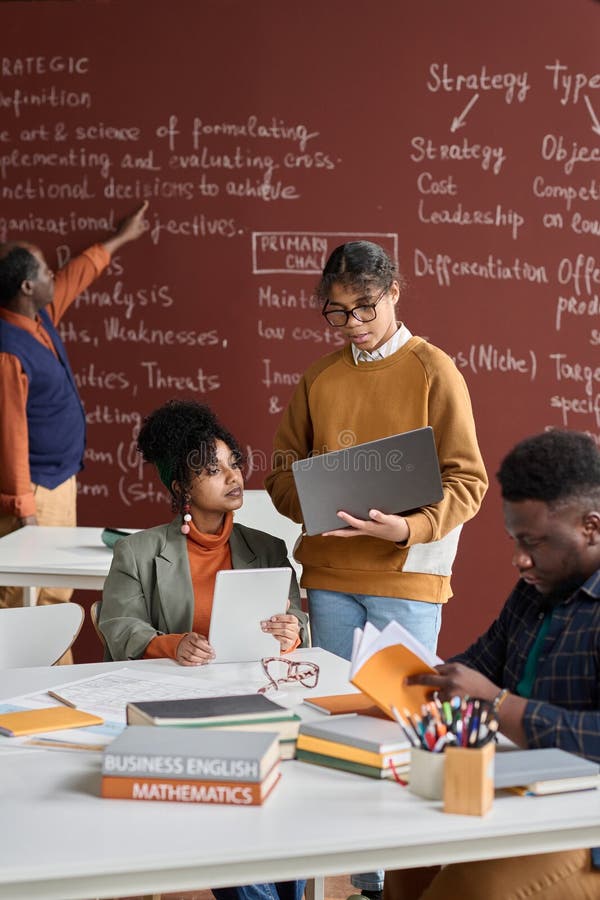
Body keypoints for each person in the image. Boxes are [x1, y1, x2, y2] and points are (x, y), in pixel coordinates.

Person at [265, 241, 488, 900]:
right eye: (337, 315)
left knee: (405, 724)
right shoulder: (320, 378)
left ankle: (386, 879)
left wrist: (408, 527)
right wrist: (312, 503)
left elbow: (468, 481)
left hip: (407, 575)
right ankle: (329, 867)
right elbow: (280, 470)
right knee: (330, 723)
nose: (354, 324)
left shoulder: (433, 371)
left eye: (365, 307)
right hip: (331, 574)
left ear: (395, 293)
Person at [100, 399, 307, 900]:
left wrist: (291, 630)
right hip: (180, 709)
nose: (232, 477)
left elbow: (297, 615)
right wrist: (173, 644)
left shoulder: (268, 548)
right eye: (212, 471)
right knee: (231, 809)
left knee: (286, 805)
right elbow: (117, 625)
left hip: (256, 697)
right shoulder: (139, 551)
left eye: (233, 463)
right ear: (181, 489)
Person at [385, 429, 600, 900]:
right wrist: (397, 685)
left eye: (535, 542)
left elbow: (492, 696)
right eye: (514, 540)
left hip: (586, 828)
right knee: (404, 856)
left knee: (464, 891)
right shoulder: (533, 591)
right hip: (521, 793)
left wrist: (499, 706)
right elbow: (478, 666)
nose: (520, 560)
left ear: (592, 527)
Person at [0, 201, 149, 621]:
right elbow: (9, 435)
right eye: (45, 271)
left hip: (60, 483)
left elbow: (75, 277)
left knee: (54, 596)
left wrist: (120, 238)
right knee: (20, 602)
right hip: (33, 495)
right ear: (27, 287)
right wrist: (25, 513)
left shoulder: (40, 316)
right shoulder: (7, 350)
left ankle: (55, 684)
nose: (54, 274)